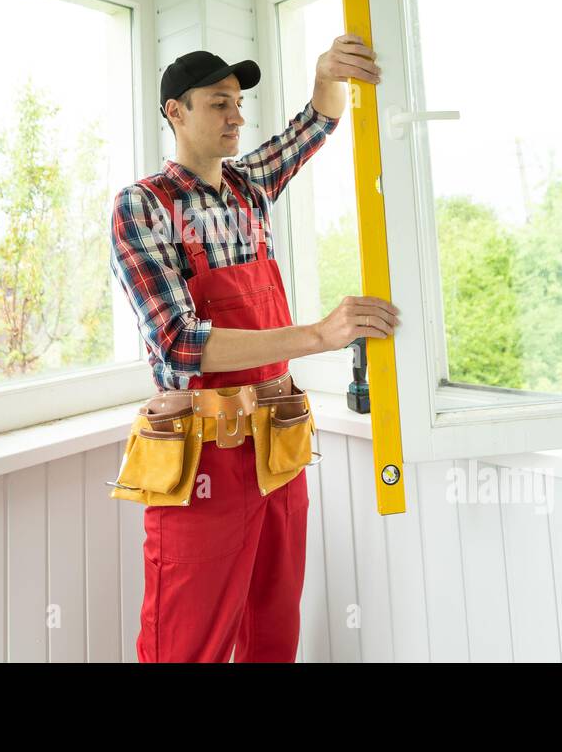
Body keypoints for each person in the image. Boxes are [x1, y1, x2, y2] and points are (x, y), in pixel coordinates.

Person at [107, 34, 399, 663]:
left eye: (239, 102)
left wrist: (326, 75)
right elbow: (181, 345)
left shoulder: (249, 188)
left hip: (278, 447)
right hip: (203, 461)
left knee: (273, 632)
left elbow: (312, 126)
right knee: (186, 645)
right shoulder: (144, 205)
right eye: (219, 103)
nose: (236, 116)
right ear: (175, 113)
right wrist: (319, 335)